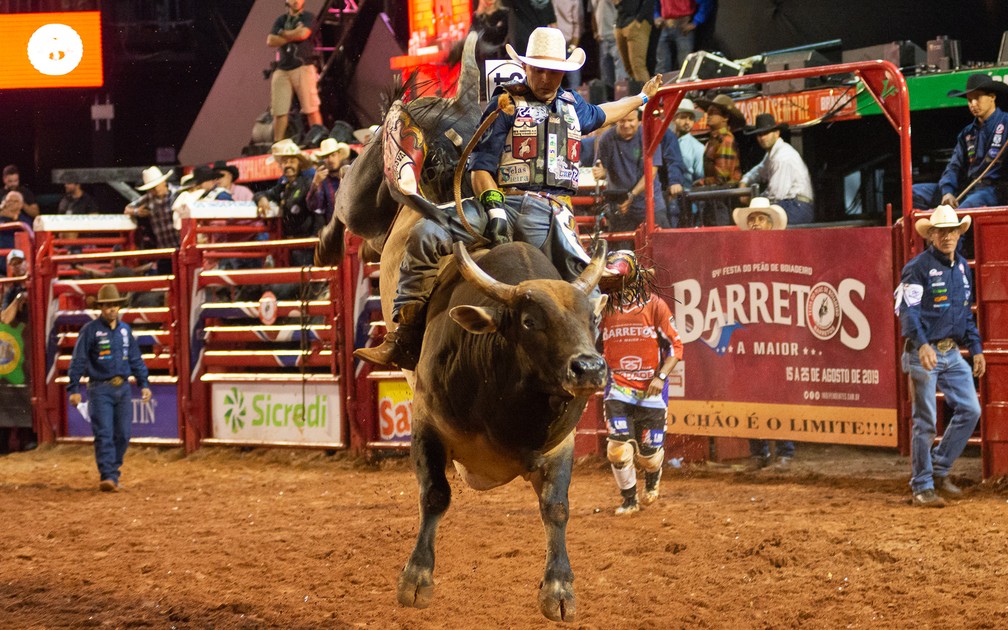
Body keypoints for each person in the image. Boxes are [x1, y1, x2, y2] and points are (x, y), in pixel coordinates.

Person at [356, 27, 662, 369]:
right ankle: (404, 336)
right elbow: (479, 167)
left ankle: (581, 358)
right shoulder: (505, 105)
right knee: (425, 235)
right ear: (526, 68)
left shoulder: (575, 107)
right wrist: (495, 209)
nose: (545, 78)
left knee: (590, 289)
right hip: (504, 202)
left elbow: (610, 110)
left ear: (563, 72)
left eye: (553, 71)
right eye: (538, 69)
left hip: (554, 215)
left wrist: (642, 98)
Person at [895, 205, 984, 508]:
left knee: (971, 410)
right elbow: (908, 311)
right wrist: (921, 344)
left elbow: (965, 314)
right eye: (941, 231)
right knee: (925, 421)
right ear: (931, 235)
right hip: (924, 352)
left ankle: (938, 469)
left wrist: (976, 349)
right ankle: (922, 486)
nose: (947, 236)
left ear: (960, 234)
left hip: (950, 352)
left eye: (952, 230)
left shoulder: (961, 268)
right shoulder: (917, 267)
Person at [599, 250, 683, 515]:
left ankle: (652, 479)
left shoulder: (655, 305)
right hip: (618, 388)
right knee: (617, 450)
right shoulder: (603, 307)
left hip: (651, 391)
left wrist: (660, 377)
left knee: (648, 455)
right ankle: (628, 499)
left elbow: (676, 348)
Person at [67, 284, 152, 492]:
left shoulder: (125, 330)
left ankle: (112, 472)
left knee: (122, 434)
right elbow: (78, 359)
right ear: (101, 308)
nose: (112, 309)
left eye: (114, 305)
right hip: (99, 388)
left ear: (118, 307)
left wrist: (144, 383)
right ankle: (108, 475)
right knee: (104, 433)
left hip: (121, 387)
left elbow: (135, 358)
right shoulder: (90, 331)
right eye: (107, 306)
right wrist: (74, 388)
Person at [732, 197, 795, 469]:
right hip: (748, 333)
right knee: (749, 391)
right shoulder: (739, 256)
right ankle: (759, 451)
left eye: (760, 219)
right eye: (752, 219)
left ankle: (784, 450)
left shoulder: (785, 254)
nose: (756, 224)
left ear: (771, 224)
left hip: (777, 332)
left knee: (778, 390)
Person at [912, 73, 1008, 211]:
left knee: (964, 209)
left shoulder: (1006, 123)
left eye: (977, 98)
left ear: (992, 97)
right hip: (968, 188)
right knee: (912, 193)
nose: (973, 104)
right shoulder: (967, 133)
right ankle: (929, 230)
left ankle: (955, 230)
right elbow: (954, 166)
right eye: (969, 100)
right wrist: (947, 191)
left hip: (993, 191)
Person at [592, 109, 667, 232]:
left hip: (649, 205)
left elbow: (651, 172)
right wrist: (599, 172)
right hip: (620, 206)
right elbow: (600, 169)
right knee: (621, 250)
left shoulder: (649, 136)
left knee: (659, 248)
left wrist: (631, 196)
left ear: (639, 120)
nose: (626, 125)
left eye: (630, 120)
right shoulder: (607, 138)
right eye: (622, 121)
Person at [739, 113, 815, 225]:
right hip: (792, 205)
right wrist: (744, 181)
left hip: (796, 207)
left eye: (766, 133)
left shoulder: (782, 157)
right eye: (759, 134)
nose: (762, 137)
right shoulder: (773, 153)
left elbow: (775, 194)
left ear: (776, 133)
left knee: (759, 220)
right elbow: (759, 170)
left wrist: (753, 200)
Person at [255, 138, 319, 266]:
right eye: (285, 162)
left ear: (299, 164)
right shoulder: (284, 185)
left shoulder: (308, 183)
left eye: (292, 161)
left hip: (306, 243)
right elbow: (263, 193)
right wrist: (262, 199)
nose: (288, 165)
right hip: (291, 243)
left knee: (305, 278)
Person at [267, 0, 322, 142]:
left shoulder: (308, 17)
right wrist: (293, 34)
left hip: (303, 67)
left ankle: (319, 140)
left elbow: (303, 34)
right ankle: (277, 144)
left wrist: (283, 34)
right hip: (282, 69)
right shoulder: (281, 19)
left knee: (311, 109)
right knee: (279, 111)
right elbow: (270, 41)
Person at [0, 249, 36, 453]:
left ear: (26, 262)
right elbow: (5, 318)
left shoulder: (35, 282)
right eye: (14, 264)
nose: (18, 266)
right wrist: (18, 299)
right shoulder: (12, 290)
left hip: (29, 348)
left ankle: (30, 438)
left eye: (20, 262)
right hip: (18, 348)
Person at [696, 93, 744, 226]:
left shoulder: (725, 140)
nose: (709, 115)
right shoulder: (714, 140)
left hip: (723, 200)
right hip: (715, 198)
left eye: (713, 112)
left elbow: (721, 178)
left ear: (725, 117)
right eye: (708, 112)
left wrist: (700, 183)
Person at [125, 166, 178, 275]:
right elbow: (127, 209)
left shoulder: (178, 194)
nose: (154, 190)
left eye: (155, 186)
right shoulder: (148, 199)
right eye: (151, 188)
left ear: (163, 182)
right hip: (164, 251)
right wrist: (136, 212)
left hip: (180, 247)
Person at [654, 0, 712, 76]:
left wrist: (695, 22)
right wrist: (657, 16)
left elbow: (705, 3)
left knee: (685, 65)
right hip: (666, 26)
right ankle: (660, 87)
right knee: (661, 65)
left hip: (683, 27)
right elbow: (657, 3)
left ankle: (686, 86)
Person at [307, 138, 350, 225]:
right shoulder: (323, 180)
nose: (330, 159)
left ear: (339, 155)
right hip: (335, 227)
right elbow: (314, 206)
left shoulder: (350, 172)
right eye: (326, 157)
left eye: (333, 155)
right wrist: (315, 183)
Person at [590, 0, 627, 89]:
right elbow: (594, 12)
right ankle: (609, 98)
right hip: (602, 38)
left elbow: (622, 6)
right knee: (606, 74)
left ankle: (622, 97)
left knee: (620, 73)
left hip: (615, 35)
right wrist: (595, 31)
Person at [614, 0, 654, 82]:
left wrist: (639, 20)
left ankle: (647, 94)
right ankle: (638, 92)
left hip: (637, 22)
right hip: (620, 23)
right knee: (628, 68)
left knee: (638, 66)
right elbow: (617, 4)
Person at [0, 191, 33, 276]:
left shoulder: (26, 221)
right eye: (9, 201)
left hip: (19, 259)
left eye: (16, 201)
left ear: (21, 205)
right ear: (5, 203)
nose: (12, 204)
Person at [552, 0, 583, 89]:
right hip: (552, 41)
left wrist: (574, 43)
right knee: (552, 73)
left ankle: (575, 99)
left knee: (573, 73)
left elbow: (578, 21)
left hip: (568, 40)